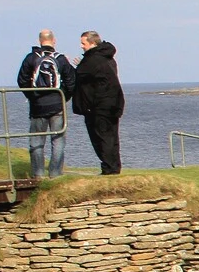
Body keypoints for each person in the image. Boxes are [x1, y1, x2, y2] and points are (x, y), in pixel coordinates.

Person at [15, 30, 76, 179]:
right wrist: (63, 97)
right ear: (54, 41)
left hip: (37, 107)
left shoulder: (31, 58)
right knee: (58, 141)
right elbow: (71, 82)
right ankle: (55, 173)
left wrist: (33, 96)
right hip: (57, 105)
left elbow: (22, 80)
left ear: (39, 41)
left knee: (36, 141)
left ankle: (38, 174)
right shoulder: (61, 59)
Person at [70, 30, 126, 175]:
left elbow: (81, 75)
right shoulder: (107, 58)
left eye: (83, 43)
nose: (81, 46)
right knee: (112, 137)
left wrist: (73, 67)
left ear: (93, 43)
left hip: (99, 106)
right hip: (113, 103)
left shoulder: (93, 59)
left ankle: (109, 168)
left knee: (102, 137)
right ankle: (113, 167)